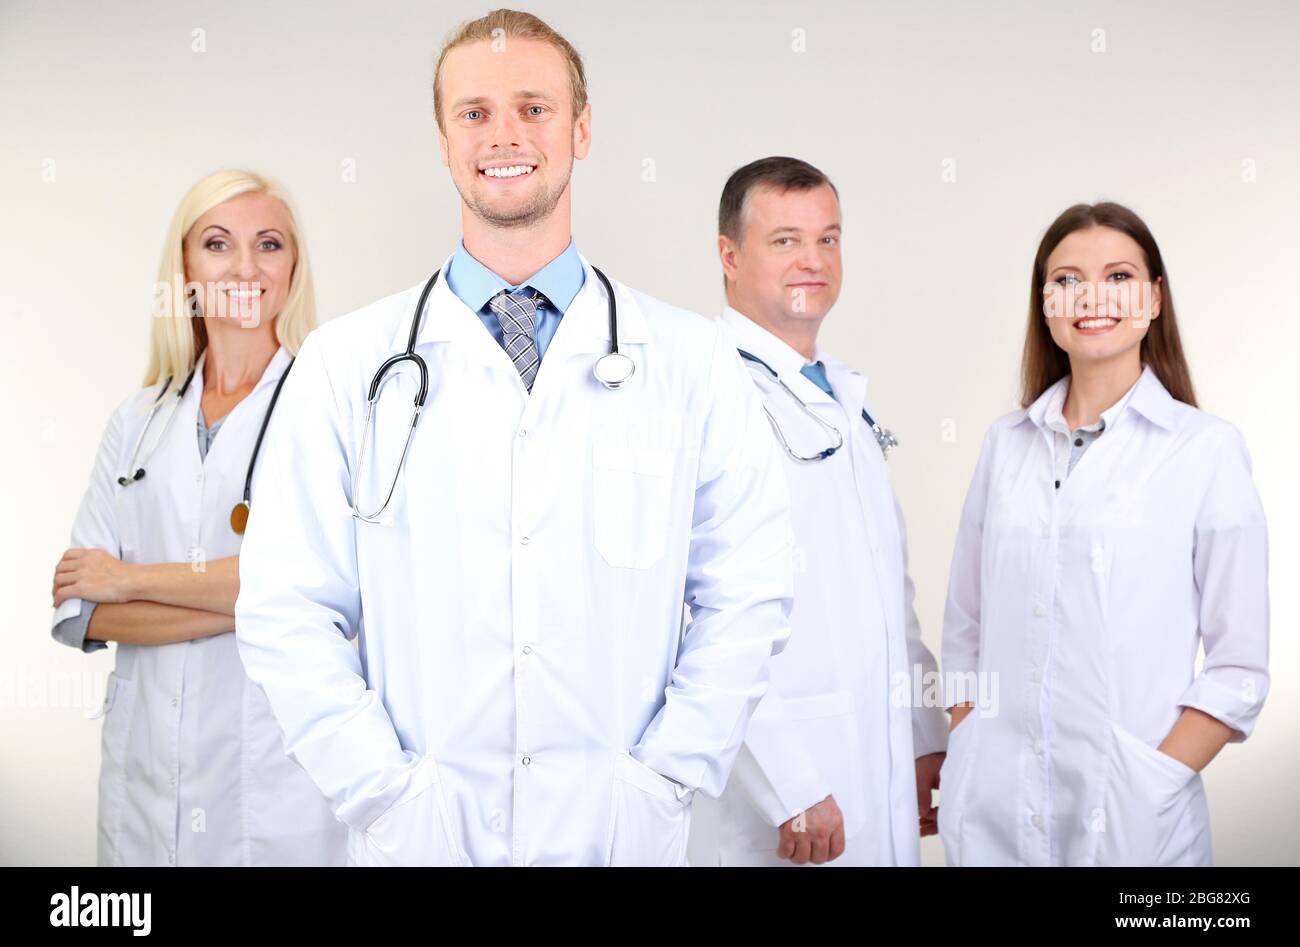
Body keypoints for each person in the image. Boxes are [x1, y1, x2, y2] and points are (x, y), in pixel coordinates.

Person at [233, 9, 793, 867]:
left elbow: (748, 592)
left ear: (582, 128)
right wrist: (384, 792)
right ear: (443, 136)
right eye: (475, 112)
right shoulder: (348, 363)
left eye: (534, 107)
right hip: (422, 832)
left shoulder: (690, 360)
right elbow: (285, 609)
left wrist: (663, 776)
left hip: (618, 831)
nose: (505, 134)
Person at [937, 201, 1269, 866]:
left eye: (1118, 276)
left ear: (1153, 299)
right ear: (1045, 304)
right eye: (1066, 280)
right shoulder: (1005, 445)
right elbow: (965, 629)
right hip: (995, 813)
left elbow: (1239, 668)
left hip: (1132, 822)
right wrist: (970, 740)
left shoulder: (1206, 450)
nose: (1091, 297)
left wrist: (1152, 781)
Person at [50, 168, 348, 866]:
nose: (245, 267)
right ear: (184, 268)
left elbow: (331, 585)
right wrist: (258, 594)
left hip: (272, 787)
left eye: (269, 244)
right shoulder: (138, 421)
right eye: (218, 244)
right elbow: (80, 611)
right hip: (144, 783)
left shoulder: (329, 410)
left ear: (293, 267)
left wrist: (127, 580)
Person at [686, 157, 948, 867]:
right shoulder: (704, 392)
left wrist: (924, 735)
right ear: (729, 256)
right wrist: (790, 784)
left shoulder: (843, 396)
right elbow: (695, 615)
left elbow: (892, 594)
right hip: (778, 789)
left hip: (878, 762)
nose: (813, 260)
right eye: (786, 240)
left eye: (828, 239)